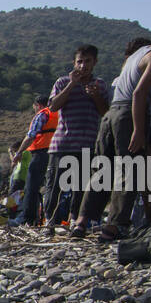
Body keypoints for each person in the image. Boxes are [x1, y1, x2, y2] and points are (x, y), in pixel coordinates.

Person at [79, 17, 151, 239]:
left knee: (109, 170)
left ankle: (83, 220)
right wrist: (138, 130)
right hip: (133, 117)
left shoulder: (141, 51)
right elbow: (139, 94)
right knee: (133, 171)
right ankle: (113, 226)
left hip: (113, 114)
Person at [39, 45, 108, 235]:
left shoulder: (100, 84)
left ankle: (75, 222)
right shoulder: (62, 82)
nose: (83, 65)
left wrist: (95, 96)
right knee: (54, 187)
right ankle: (49, 223)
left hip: (87, 143)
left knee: (81, 187)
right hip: (62, 143)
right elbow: (52, 107)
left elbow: (105, 113)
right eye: (80, 61)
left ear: (95, 62)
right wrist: (71, 84)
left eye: (87, 61)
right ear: (74, 63)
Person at [9, 96, 57, 226]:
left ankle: (27, 219)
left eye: (34, 107)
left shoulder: (42, 115)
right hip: (56, 154)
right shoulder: (58, 115)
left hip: (41, 154)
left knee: (31, 187)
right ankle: (49, 218)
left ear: (38, 105)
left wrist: (18, 152)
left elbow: (31, 135)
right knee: (51, 187)